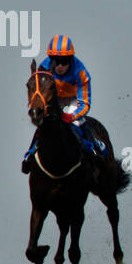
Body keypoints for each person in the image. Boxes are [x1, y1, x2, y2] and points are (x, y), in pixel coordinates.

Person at [21, 36, 108, 177]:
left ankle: (95, 148)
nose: (59, 66)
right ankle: (30, 154)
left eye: (64, 61)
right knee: (45, 122)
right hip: (54, 98)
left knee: (79, 121)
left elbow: (85, 103)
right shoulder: (44, 67)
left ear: (71, 59)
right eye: (55, 61)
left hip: (74, 100)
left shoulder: (81, 73)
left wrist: (72, 115)